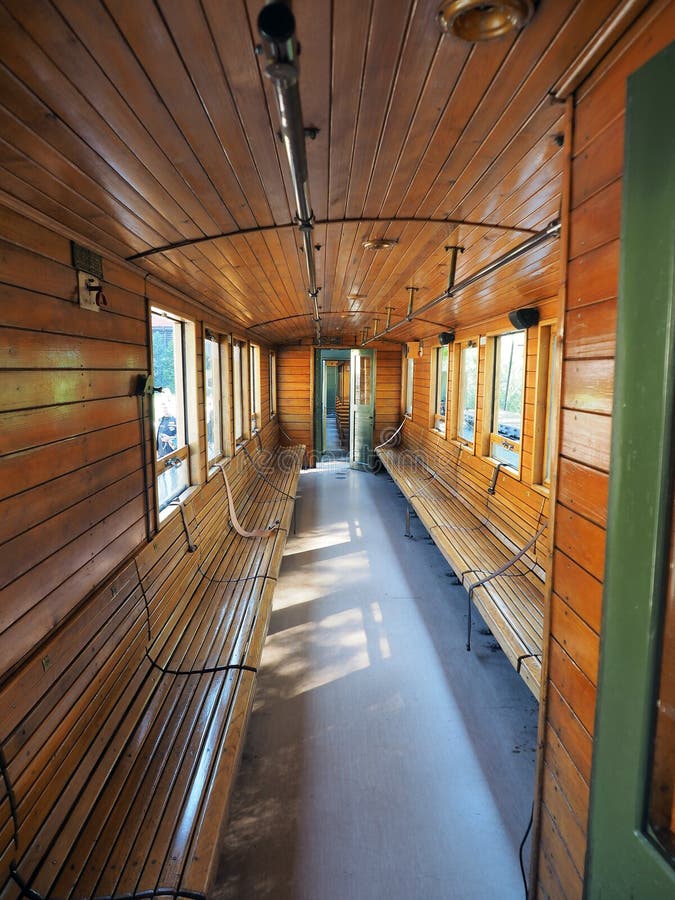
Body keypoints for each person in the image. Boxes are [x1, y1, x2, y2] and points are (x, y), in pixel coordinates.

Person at [156, 393, 177, 458]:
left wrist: (169, 439)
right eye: (162, 404)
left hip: (172, 455)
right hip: (160, 455)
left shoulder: (176, 419)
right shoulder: (159, 420)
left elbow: (183, 437)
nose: (164, 407)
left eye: (165, 404)